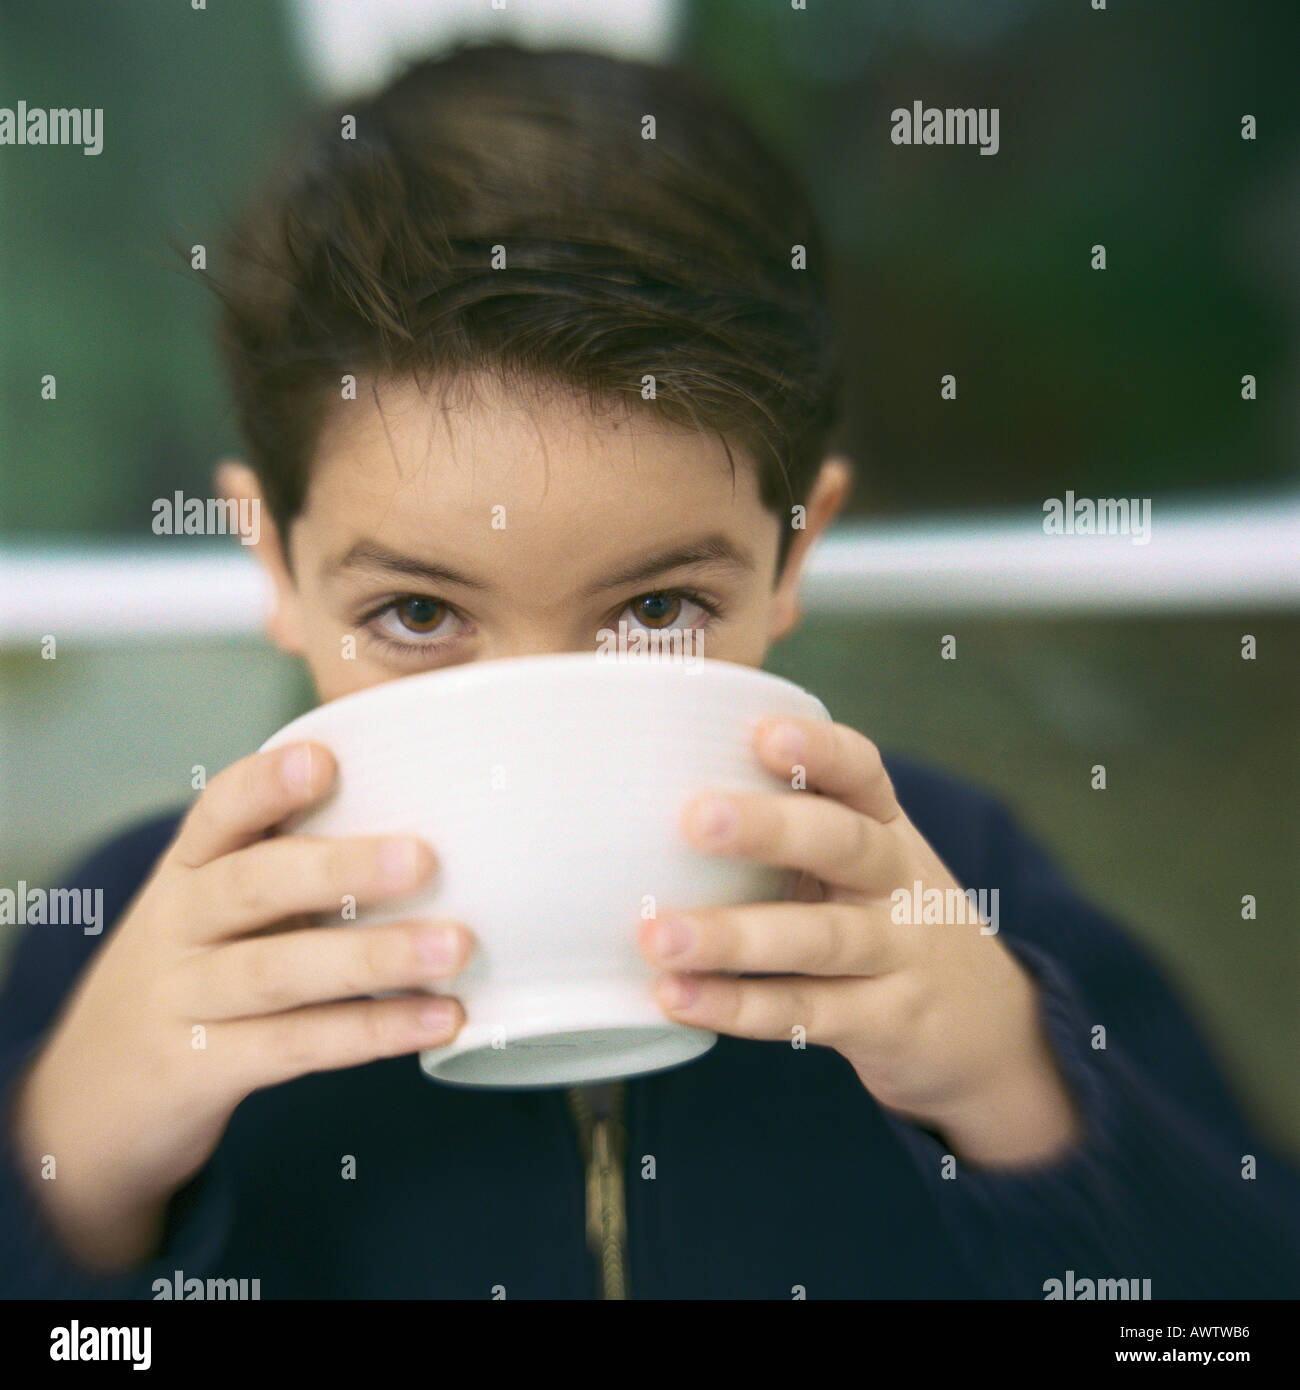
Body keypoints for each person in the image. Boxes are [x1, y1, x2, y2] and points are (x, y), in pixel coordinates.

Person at [2, 42, 1296, 1300]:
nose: (537, 744)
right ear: (277, 567)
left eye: (659, 602)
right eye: (415, 608)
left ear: (795, 550)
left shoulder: (957, 883)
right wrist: (67, 1172)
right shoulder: (142, 937)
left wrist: (1027, 1100)